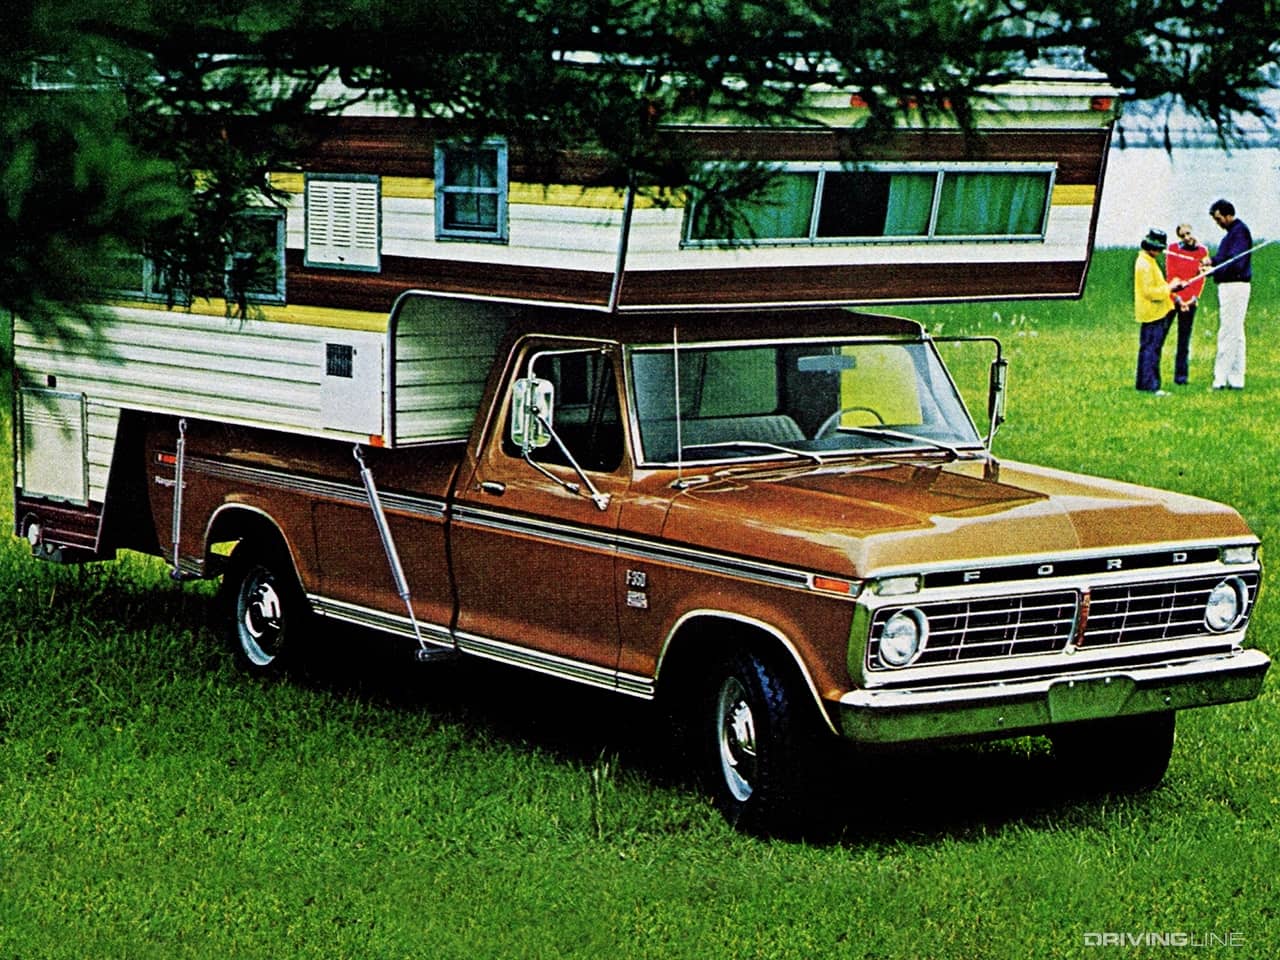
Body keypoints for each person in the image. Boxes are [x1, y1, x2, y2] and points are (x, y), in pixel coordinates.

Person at [1207, 199, 1253, 390]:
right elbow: (1225, 259)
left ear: (1228, 215)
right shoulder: (1231, 234)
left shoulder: (1239, 232)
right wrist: (1212, 262)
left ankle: (1220, 378)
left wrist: (1215, 271)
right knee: (1237, 333)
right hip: (1230, 285)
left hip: (1235, 286)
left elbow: (1236, 263)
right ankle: (1236, 379)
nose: (1218, 223)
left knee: (1228, 332)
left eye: (1219, 219)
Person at [1165, 223, 1209, 385]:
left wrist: (1192, 299)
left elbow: (1200, 277)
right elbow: (1171, 275)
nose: (1187, 238)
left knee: (1184, 340)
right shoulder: (1173, 250)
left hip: (1190, 300)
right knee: (1161, 335)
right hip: (1173, 298)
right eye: (1183, 235)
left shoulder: (1201, 251)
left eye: (1188, 234)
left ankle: (1181, 378)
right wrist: (1178, 298)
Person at [1134, 227, 1176, 394]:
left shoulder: (1148, 261)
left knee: (1148, 348)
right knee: (1152, 349)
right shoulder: (1144, 265)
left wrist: (1169, 287)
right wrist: (1170, 288)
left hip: (1153, 312)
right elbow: (1149, 292)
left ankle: (1143, 383)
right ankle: (1151, 385)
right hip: (1153, 312)